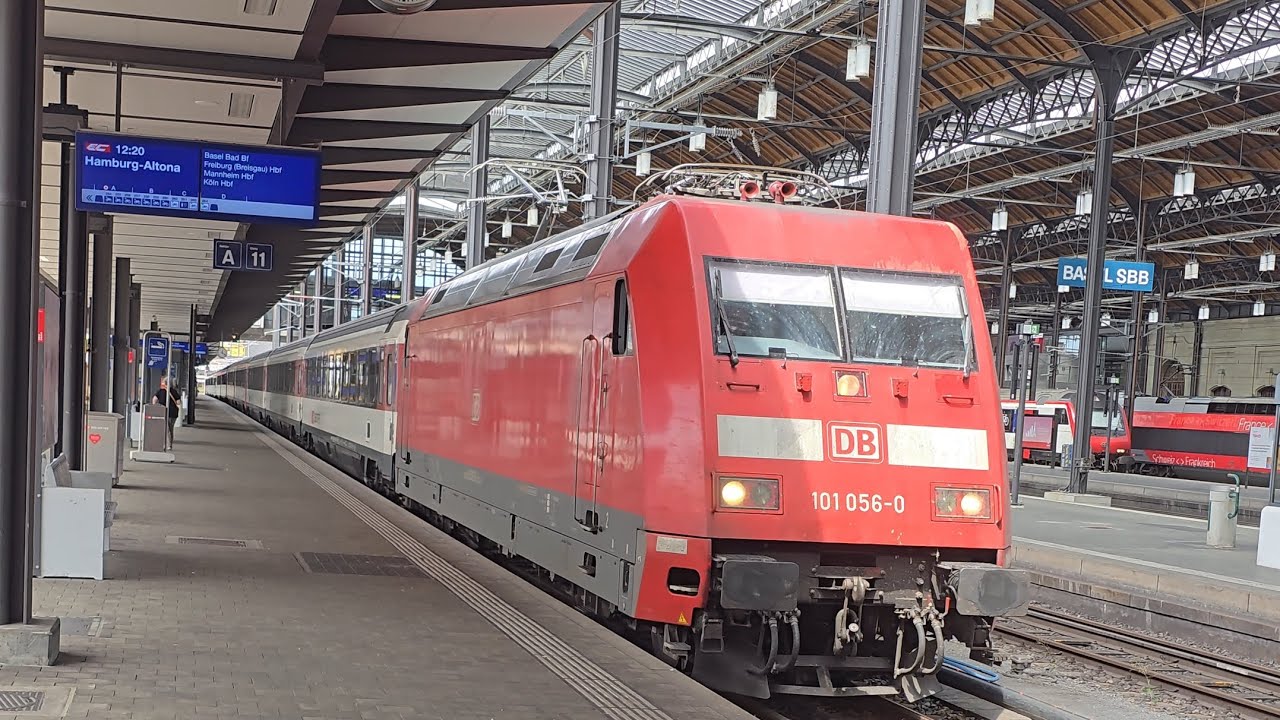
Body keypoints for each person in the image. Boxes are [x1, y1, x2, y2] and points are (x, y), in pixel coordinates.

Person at [152, 378, 180, 450]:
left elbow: (154, 400)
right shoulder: (174, 392)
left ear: (165, 383)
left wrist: (156, 407)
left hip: (163, 412)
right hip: (173, 413)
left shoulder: (160, 391)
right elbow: (178, 402)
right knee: (171, 429)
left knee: (166, 429)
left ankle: (166, 444)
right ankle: (170, 444)